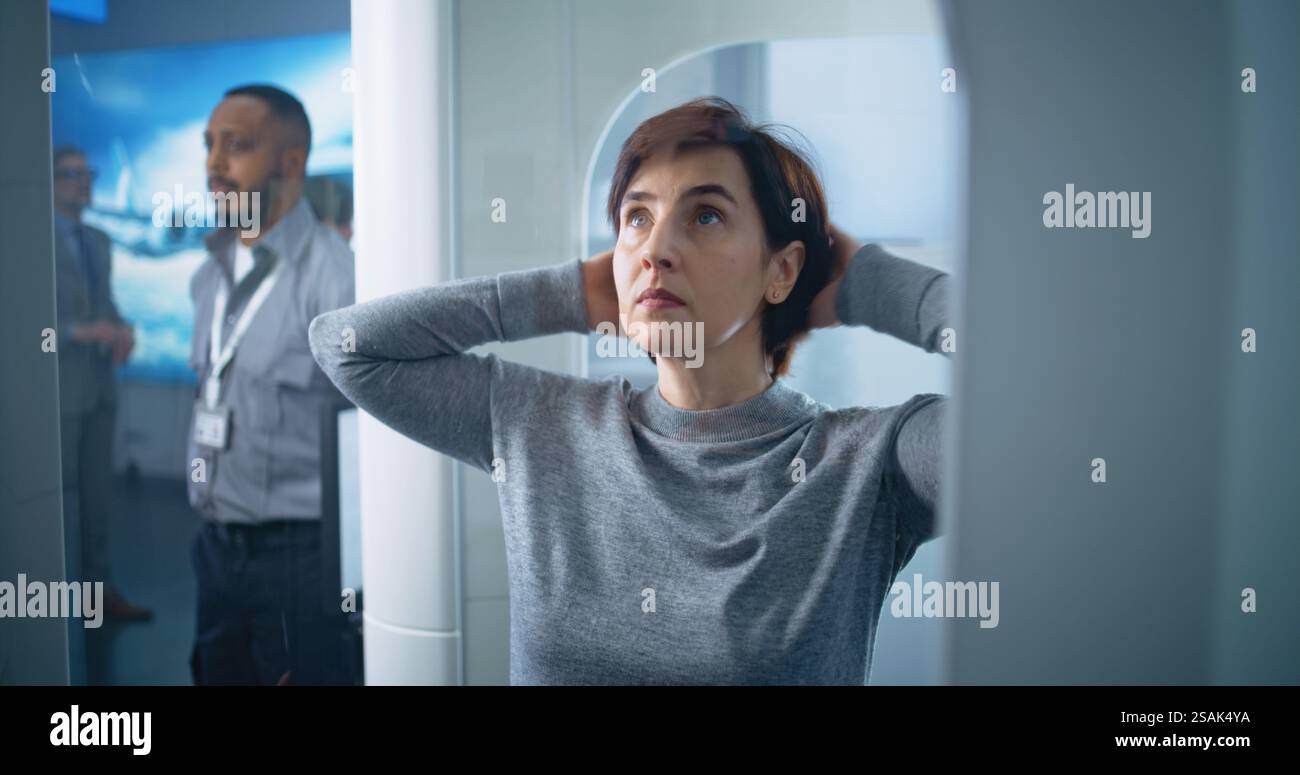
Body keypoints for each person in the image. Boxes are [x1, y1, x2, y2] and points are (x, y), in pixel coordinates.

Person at [309, 97, 951, 684]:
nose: (657, 249)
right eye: (636, 217)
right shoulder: (542, 426)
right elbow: (346, 345)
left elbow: (1044, 407)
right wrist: (567, 293)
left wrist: (874, 285)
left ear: (781, 270)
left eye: (705, 215)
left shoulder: (871, 462)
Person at [187, 84, 355, 685]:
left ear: (291, 162)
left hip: (299, 558)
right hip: (215, 549)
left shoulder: (338, 282)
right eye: (209, 146)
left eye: (236, 147)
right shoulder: (209, 273)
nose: (213, 165)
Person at [52, 145, 153, 622]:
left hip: (99, 387)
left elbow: (106, 304)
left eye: (87, 173)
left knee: (97, 500)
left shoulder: (99, 240)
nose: (83, 182)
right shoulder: (26, 240)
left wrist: (123, 328)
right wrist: (81, 331)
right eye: (71, 174)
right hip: (57, 388)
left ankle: (98, 596)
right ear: (49, 182)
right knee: (55, 504)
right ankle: (51, 601)